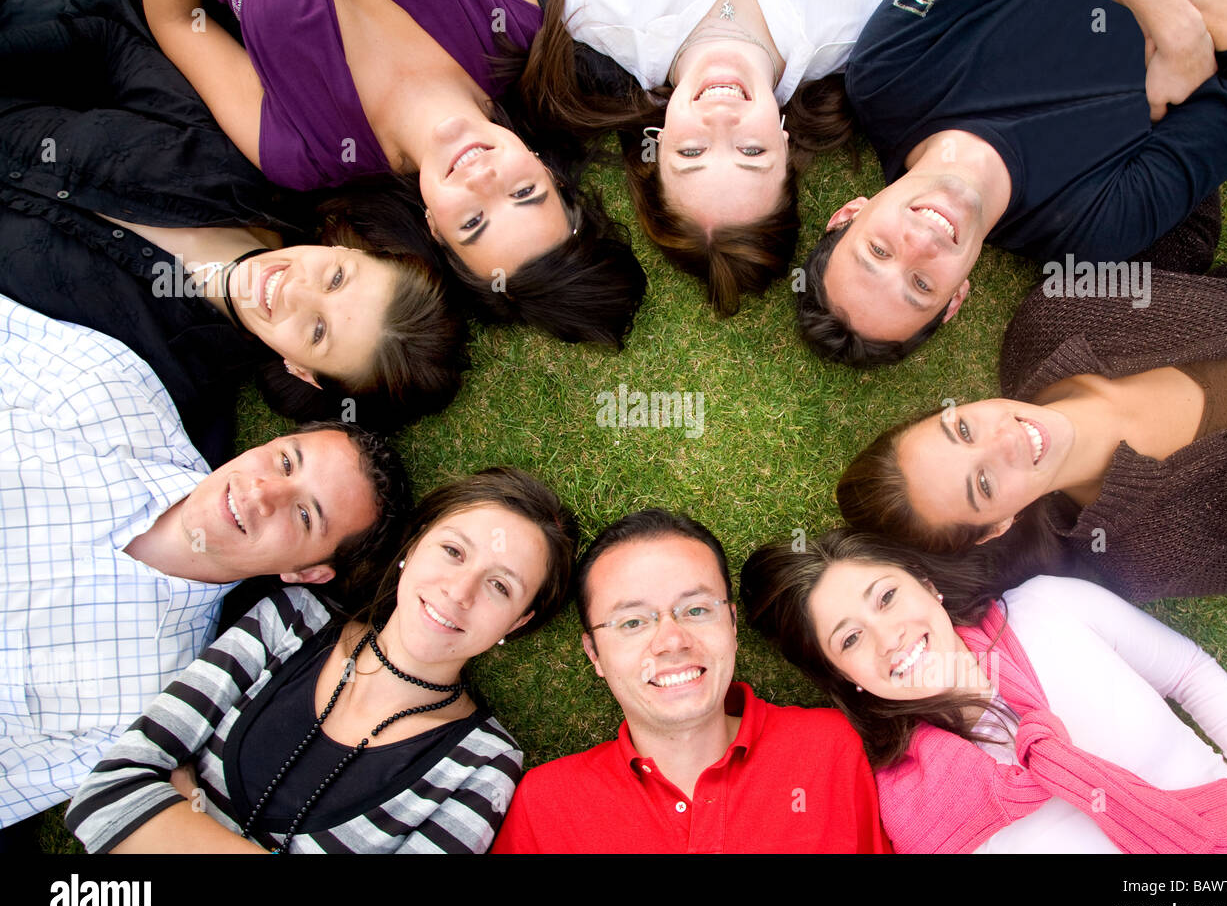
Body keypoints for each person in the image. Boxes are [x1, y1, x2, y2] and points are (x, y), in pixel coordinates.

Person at [0, 0, 468, 462]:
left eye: (318, 332)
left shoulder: (163, 379)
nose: (294, 290)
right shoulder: (241, 161)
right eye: (335, 279)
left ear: (301, 371)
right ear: (346, 250)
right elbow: (108, 51)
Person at [0, 293, 410, 838]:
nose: (263, 493)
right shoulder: (112, 393)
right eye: (285, 461)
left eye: (304, 515)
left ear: (307, 573)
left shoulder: (144, 702)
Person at [66, 468, 579, 854]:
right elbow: (103, 799)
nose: (459, 591)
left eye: (499, 586)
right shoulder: (289, 623)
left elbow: (130, 809)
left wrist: (176, 807)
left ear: (516, 622)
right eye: (452, 551)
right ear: (413, 545)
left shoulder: (483, 766)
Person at [799, 0, 1227, 366]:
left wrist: (1167, 16)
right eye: (922, 285)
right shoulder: (1099, 226)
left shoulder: (888, 76)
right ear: (956, 300)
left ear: (848, 214)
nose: (922, 247)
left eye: (878, 250)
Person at [138, 0, 646, 347]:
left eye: (473, 222)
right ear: (544, 166)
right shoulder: (513, 17)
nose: (483, 180)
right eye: (522, 193)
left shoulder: (305, 152)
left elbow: (177, 21)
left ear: (434, 230)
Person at [740, 530, 1227, 853]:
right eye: (852, 638)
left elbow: (1188, 673)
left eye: (886, 597)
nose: (890, 638)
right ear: (845, 677)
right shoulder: (909, 804)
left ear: (928, 586)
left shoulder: (1047, 607)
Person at [835, 226, 1227, 603]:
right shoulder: (1148, 554)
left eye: (962, 429)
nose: (1005, 442)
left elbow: (1184, 234)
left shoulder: (1056, 319)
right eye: (983, 483)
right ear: (997, 527)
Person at [491, 508, 893, 853]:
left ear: (733, 624)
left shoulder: (833, 747)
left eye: (697, 610)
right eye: (632, 621)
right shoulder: (544, 806)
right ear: (594, 653)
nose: (671, 641)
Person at [516, 0, 891, 315]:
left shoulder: (591, 11)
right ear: (783, 142)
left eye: (691, 152)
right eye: (752, 151)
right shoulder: (862, 28)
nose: (721, 118)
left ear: (658, 145)